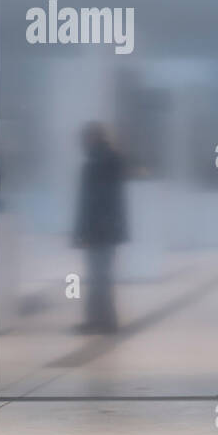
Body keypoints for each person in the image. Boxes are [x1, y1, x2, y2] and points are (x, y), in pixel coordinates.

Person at [72, 122, 128, 333]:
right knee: (99, 276)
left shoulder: (100, 162)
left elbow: (93, 202)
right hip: (105, 230)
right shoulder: (106, 160)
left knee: (99, 276)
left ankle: (104, 321)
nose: (81, 144)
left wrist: (85, 232)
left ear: (92, 138)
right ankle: (100, 319)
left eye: (84, 138)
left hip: (100, 231)